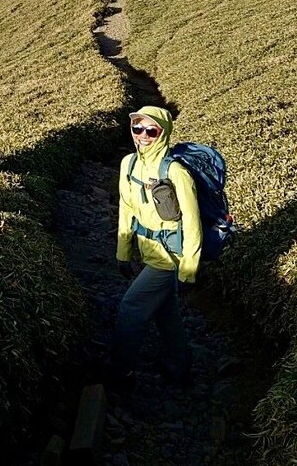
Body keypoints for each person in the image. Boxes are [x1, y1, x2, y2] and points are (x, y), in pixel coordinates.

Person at [110, 104, 202, 385]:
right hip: (147, 251)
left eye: (151, 130)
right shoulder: (129, 164)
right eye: (137, 127)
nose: (142, 135)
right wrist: (123, 252)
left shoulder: (175, 172)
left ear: (163, 133)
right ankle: (179, 365)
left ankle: (119, 371)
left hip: (169, 256)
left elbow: (192, 222)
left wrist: (188, 269)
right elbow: (126, 209)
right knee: (165, 311)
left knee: (131, 307)